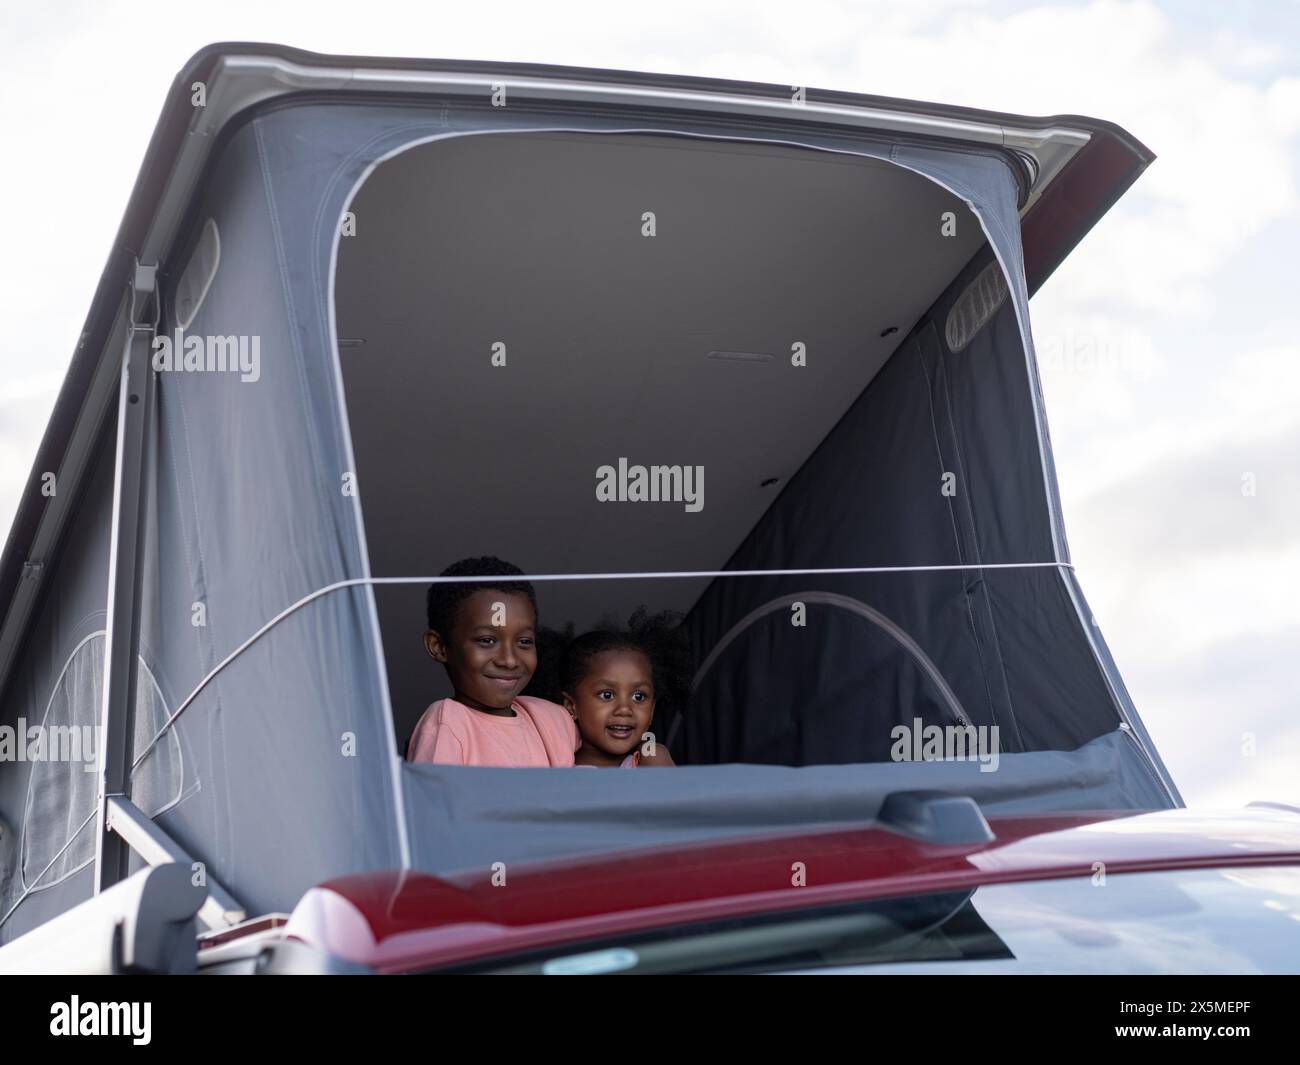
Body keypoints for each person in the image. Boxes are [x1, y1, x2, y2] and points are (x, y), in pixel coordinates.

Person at [406, 557, 578, 767]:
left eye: (524, 642)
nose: (509, 660)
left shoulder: (552, 718)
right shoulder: (448, 724)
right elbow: (439, 799)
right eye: (487, 641)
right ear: (439, 646)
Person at [559, 610, 687, 768]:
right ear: (572, 706)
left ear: (652, 710)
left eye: (638, 697)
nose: (625, 709)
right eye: (607, 695)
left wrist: (655, 756)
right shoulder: (555, 766)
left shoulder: (650, 760)